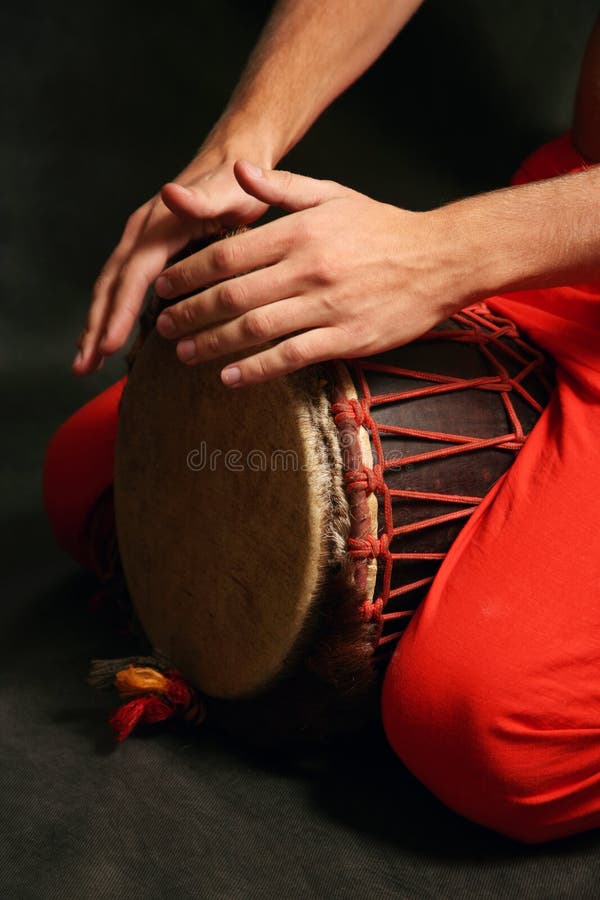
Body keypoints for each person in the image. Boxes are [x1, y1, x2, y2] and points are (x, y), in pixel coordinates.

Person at [44, 2, 600, 843]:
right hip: (560, 245)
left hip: (519, 244)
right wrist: (244, 141)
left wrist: (447, 253)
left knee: (485, 731)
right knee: (91, 476)